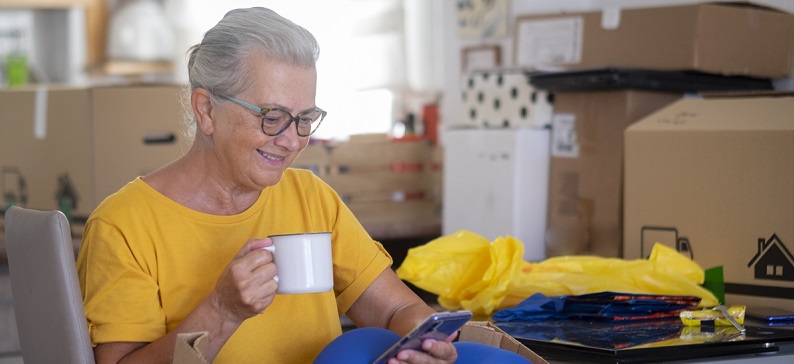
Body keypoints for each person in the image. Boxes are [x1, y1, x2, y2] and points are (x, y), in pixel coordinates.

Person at [76, 7, 530, 364]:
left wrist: (427, 347)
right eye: (271, 117)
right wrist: (222, 311)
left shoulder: (310, 197)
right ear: (207, 110)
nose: (292, 140)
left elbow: (396, 312)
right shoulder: (123, 226)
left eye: (305, 119)